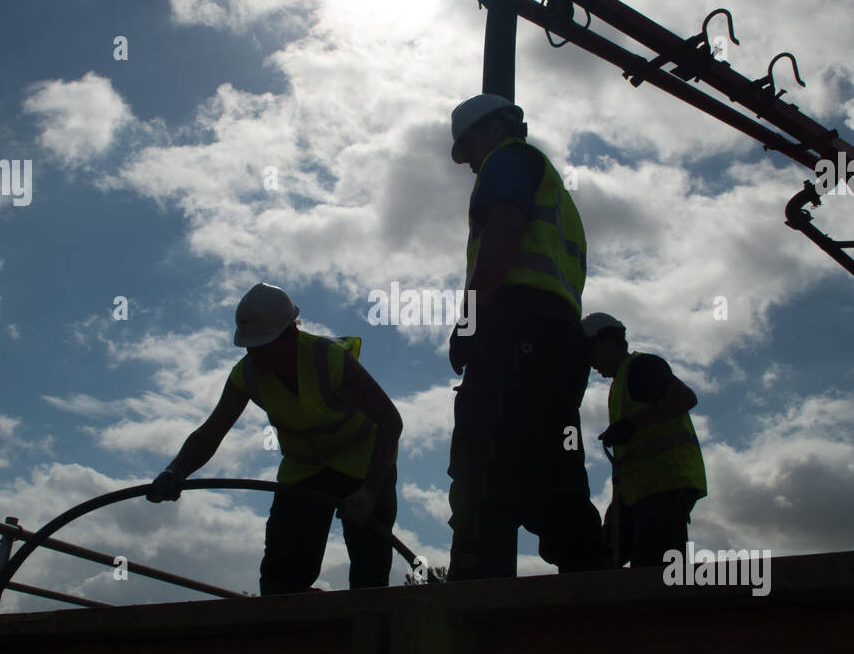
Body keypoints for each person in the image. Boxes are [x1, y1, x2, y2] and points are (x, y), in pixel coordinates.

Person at [146, 283, 403, 593]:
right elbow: (211, 432)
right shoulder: (248, 374)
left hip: (364, 464)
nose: (256, 356)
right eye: (250, 348)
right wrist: (177, 469)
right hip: (304, 470)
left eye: (264, 346)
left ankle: (371, 629)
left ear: (291, 334)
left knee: (370, 574)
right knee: (281, 580)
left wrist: (370, 491)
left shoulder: (329, 360)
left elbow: (390, 422)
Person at [446, 93, 605, 581]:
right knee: (556, 468)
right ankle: (590, 582)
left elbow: (505, 228)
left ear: (492, 130)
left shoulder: (508, 160)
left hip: (516, 328)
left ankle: (476, 584)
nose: (470, 162)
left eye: (468, 146)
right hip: (558, 341)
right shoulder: (551, 182)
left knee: (485, 456)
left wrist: (468, 321)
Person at [581, 312, 707, 568]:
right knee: (603, 557)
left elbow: (685, 398)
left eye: (590, 350)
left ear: (608, 342)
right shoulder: (620, 383)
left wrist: (632, 424)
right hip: (636, 492)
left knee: (653, 571)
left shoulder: (641, 367)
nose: (589, 361)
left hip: (664, 486)